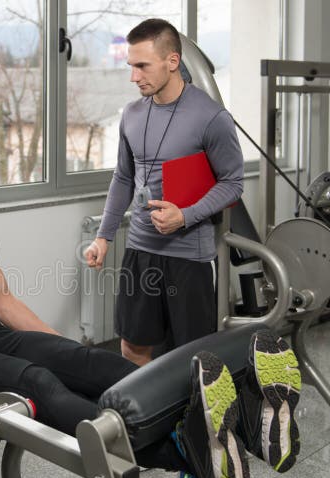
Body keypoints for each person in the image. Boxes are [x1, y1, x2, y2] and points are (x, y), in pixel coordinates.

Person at [0, 114, 300, 478]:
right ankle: (183, 452)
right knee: (37, 380)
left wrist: (60, 347)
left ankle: (244, 430)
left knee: (94, 363)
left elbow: (3, 302)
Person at [84, 18, 244, 367]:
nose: (134, 76)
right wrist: (103, 237)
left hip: (189, 258)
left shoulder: (211, 116)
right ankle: (150, 422)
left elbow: (233, 183)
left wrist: (185, 215)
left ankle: (188, 421)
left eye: (142, 66)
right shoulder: (132, 114)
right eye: (131, 66)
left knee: (191, 357)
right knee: (132, 348)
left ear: (172, 62)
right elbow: (124, 178)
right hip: (140, 250)